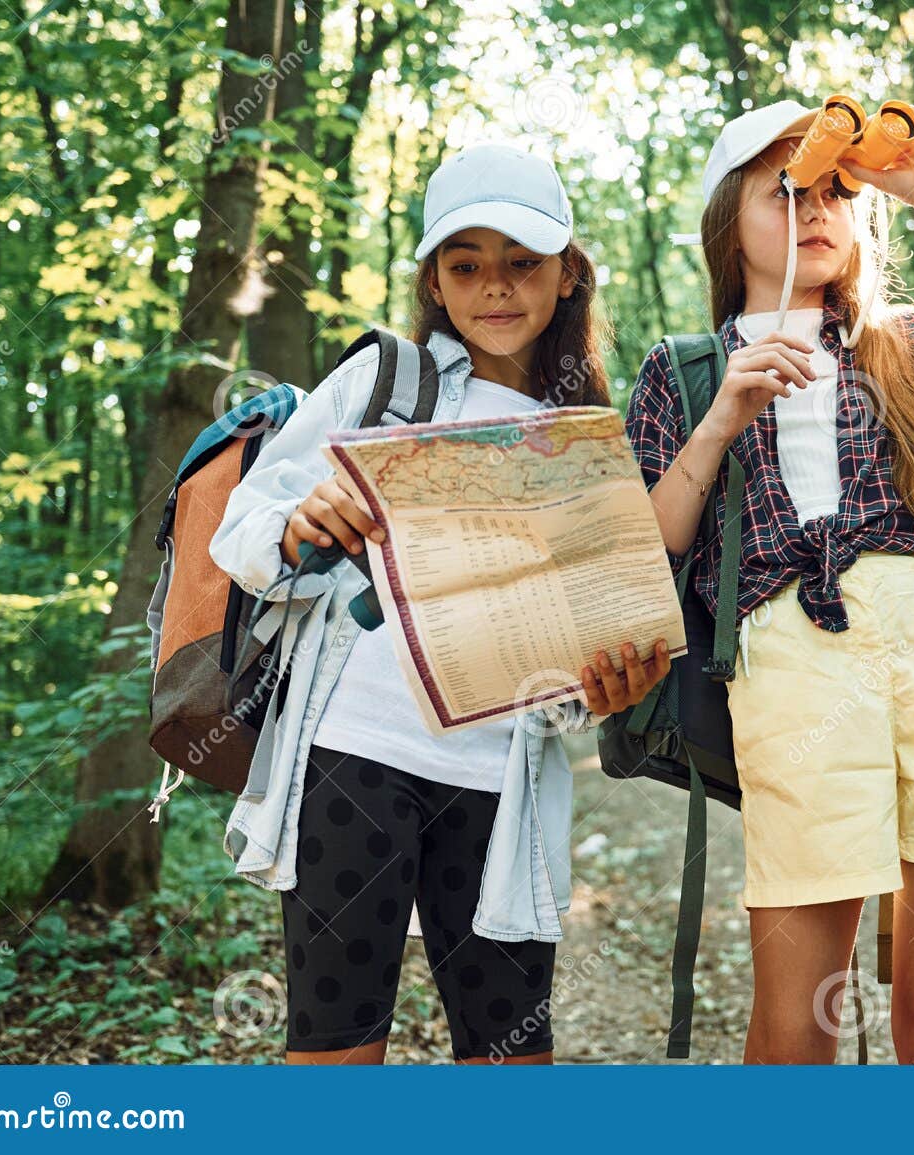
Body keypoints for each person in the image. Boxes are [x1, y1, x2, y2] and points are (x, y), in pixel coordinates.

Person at [624, 101, 914, 1063]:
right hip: (795, 665)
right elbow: (646, 548)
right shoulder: (680, 371)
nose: (816, 208)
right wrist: (721, 416)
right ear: (730, 218)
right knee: (799, 1018)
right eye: (786, 190)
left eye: (839, 190)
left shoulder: (910, 341)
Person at [211, 143, 669, 1065]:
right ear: (434, 278)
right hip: (354, 758)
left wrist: (603, 690)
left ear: (569, 274)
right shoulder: (382, 384)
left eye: (523, 263)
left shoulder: (585, 439)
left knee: (509, 1063)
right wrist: (303, 520)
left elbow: (575, 667)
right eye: (467, 266)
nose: (495, 288)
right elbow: (243, 529)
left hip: (501, 785)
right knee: (337, 1052)